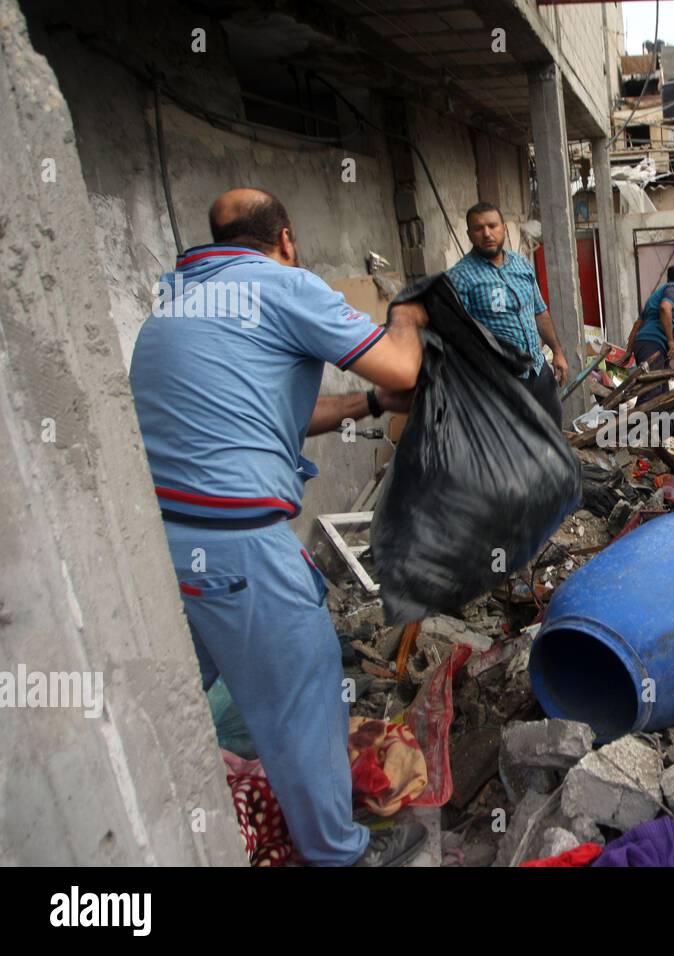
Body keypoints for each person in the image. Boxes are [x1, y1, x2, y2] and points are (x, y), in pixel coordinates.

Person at [129, 188, 430, 867]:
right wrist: (406, 316)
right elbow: (404, 366)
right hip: (238, 545)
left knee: (178, 696)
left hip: (161, 542)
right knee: (303, 696)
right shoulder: (283, 284)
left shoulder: (177, 301)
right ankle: (341, 854)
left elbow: (268, 415)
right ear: (286, 238)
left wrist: (372, 403)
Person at [446, 202, 568, 428]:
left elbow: (539, 312)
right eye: (478, 228)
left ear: (503, 228)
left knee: (553, 438)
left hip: (538, 371)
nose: (486, 233)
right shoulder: (460, 278)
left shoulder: (521, 264)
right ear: (469, 234)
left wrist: (558, 352)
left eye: (492, 226)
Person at [621, 263, 674, 402]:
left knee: (662, 393)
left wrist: (629, 351)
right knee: (651, 393)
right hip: (653, 346)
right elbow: (665, 308)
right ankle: (635, 424)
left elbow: (637, 325)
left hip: (643, 345)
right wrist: (671, 342)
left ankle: (667, 424)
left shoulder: (655, 296)